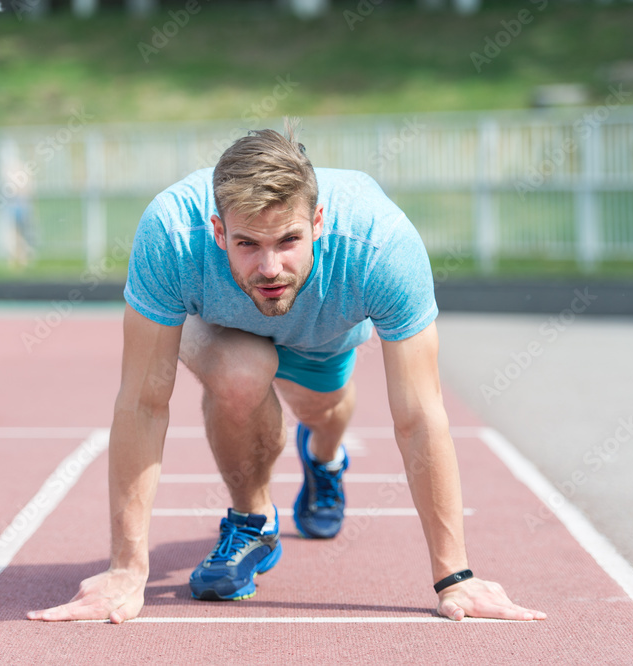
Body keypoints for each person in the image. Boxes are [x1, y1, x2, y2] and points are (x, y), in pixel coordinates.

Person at [27, 122, 546, 624]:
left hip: (324, 331)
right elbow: (142, 401)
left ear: (318, 222)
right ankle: (254, 521)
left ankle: (324, 459)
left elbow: (419, 415)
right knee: (240, 375)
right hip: (223, 325)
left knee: (322, 410)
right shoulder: (171, 234)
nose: (270, 268)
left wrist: (454, 576)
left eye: (288, 241)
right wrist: (125, 569)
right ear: (217, 230)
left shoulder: (382, 246)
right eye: (248, 243)